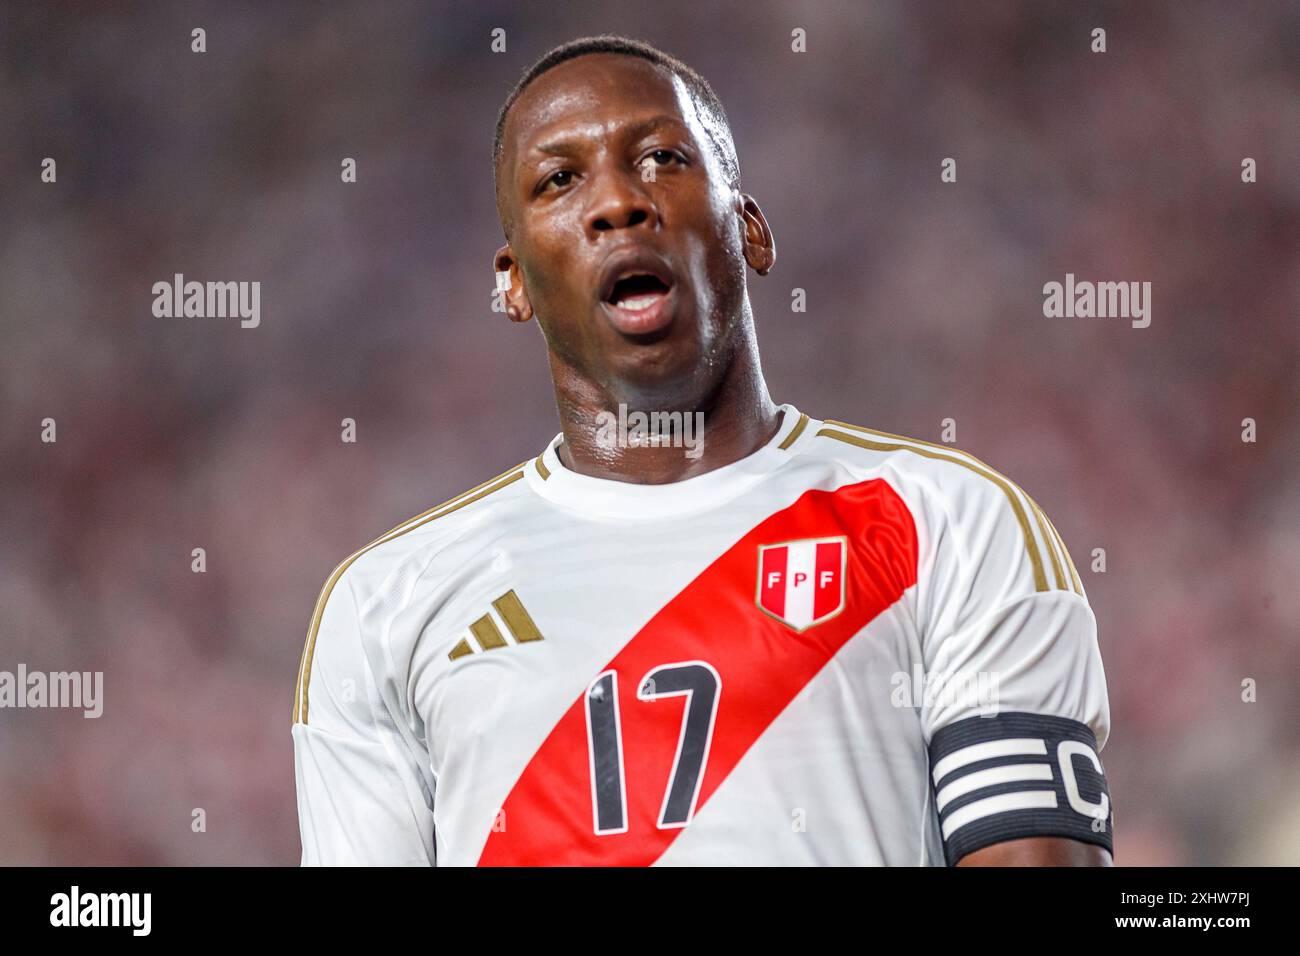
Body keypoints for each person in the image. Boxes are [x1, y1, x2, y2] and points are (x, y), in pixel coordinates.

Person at [292, 34, 1112, 866]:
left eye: (660, 158)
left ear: (750, 230)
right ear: (512, 284)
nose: (617, 202)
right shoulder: (386, 605)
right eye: (559, 180)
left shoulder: (949, 524)